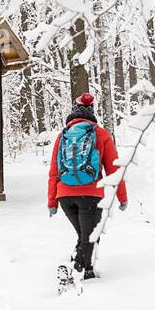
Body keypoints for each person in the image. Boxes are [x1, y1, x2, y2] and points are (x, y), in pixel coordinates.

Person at [47, 93, 128, 279]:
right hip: (91, 195)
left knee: (85, 236)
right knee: (89, 237)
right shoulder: (101, 134)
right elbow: (114, 170)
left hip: (65, 196)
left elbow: (53, 171)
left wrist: (52, 201)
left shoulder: (63, 136)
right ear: (93, 111)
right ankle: (74, 270)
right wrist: (122, 198)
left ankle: (86, 270)